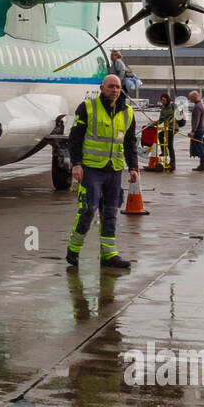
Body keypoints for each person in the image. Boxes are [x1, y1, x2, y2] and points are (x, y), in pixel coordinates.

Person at [65, 73, 139, 269]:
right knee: (88, 209)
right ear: (101, 88)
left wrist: (133, 167)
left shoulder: (128, 112)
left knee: (110, 212)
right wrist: (76, 164)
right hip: (91, 169)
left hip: (114, 170)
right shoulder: (88, 108)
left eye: (117, 87)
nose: (114, 90)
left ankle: (109, 255)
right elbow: (75, 138)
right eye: (110, 86)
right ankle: (74, 248)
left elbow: (130, 142)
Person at [156, 92, 179, 171]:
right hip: (166, 128)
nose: (163, 102)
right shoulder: (163, 108)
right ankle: (164, 151)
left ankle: (173, 164)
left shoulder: (173, 106)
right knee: (160, 135)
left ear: (167, 100)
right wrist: (154, 123)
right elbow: (161, 120)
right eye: (162, 100)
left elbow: (180, 113)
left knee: (170, 145)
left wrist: (174, 118)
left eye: (164, 100)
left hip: (173, 128)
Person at [187, 90, 204, 171]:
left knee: (200, 148)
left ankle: (203, 164)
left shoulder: (197, 107)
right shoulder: (201, 104)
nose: (189, 99)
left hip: (198, 130)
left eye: (190, 98)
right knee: (200, 147)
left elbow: (196, 121)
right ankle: (203, 164)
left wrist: (193, 131)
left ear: (194, 97)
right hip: (202, 128)